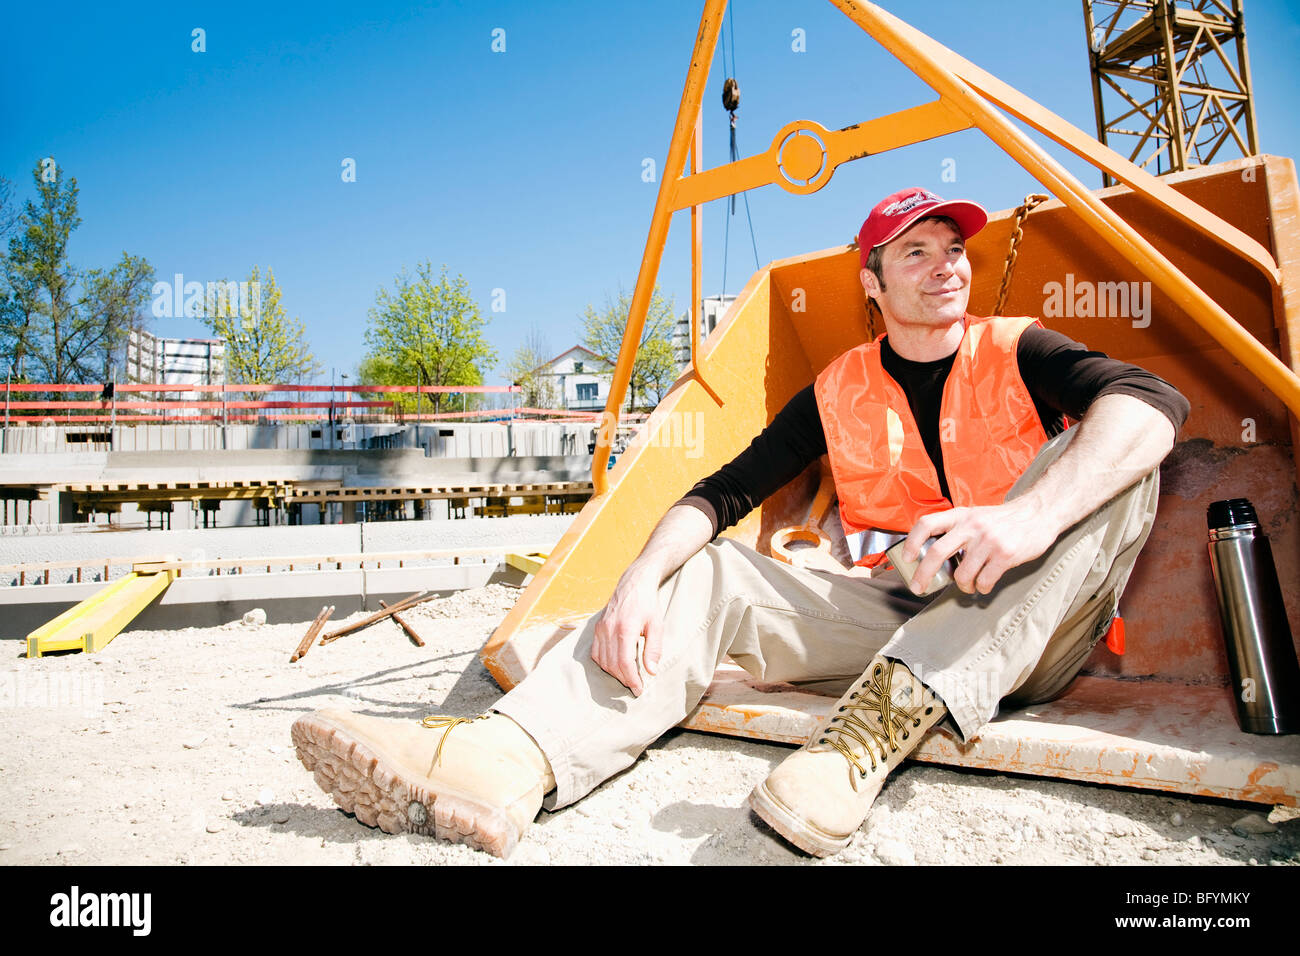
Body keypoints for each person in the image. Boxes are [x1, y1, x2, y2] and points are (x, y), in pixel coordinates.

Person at [292, 187, 1188, 858]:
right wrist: (637, 582)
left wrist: (1029, 518)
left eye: (952, 248)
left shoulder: (1019, 348)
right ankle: (508, 759)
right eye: (915, 252)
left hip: (1031, 633)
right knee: (711, 569)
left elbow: (1154, 402)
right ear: (871, 280)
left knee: (1111, 460)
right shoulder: (838, 387)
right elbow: (721, 492)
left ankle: (857, 749)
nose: (946, 264)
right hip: (900, 614)